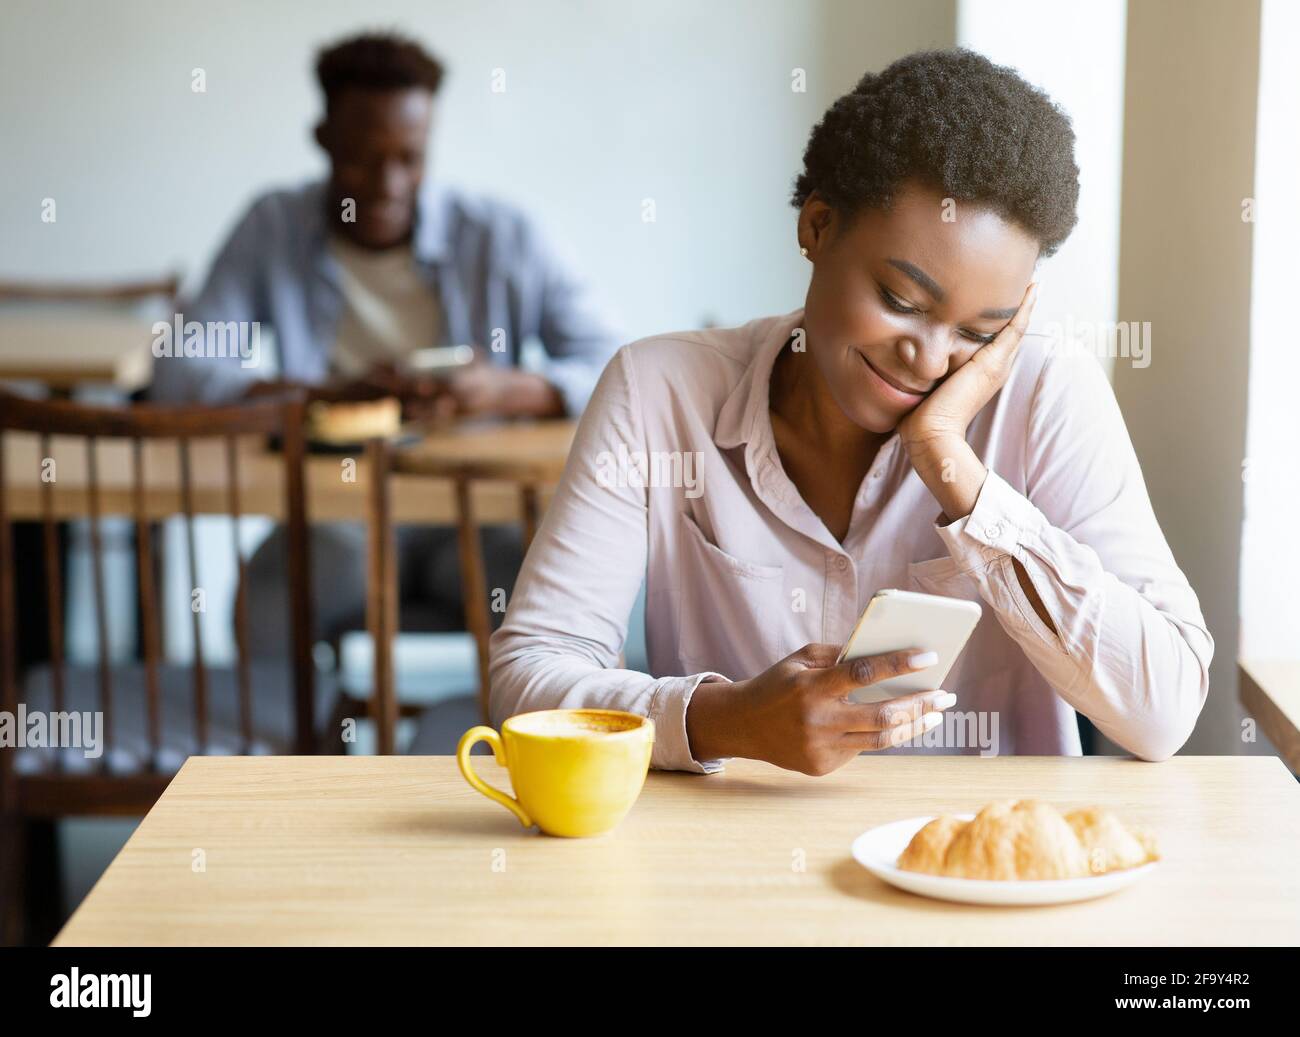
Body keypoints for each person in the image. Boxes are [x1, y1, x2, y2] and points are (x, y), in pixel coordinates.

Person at [489, 49, 1213, 775]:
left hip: (985, 866)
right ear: (818, 225)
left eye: (978, 332)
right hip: (727, 866)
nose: (930, 360)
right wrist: (725, 720)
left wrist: (956, 471)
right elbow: (528, 680)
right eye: (901, 301)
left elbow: (1164, 712)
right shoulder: (657, 390)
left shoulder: (1045, 393)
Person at [148, 32, 623, 656]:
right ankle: (292, 754)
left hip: (478, 514)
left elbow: (614, 368)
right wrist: (323, 396)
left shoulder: (501, 235)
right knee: (267, 600)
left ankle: (514, 748)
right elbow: (179, 373)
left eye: (410, 158)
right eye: (362, 159)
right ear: (323, 139)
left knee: (557, 605)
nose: (388, 184)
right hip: (334, 511)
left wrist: (498, 390)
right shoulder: (273, 227)